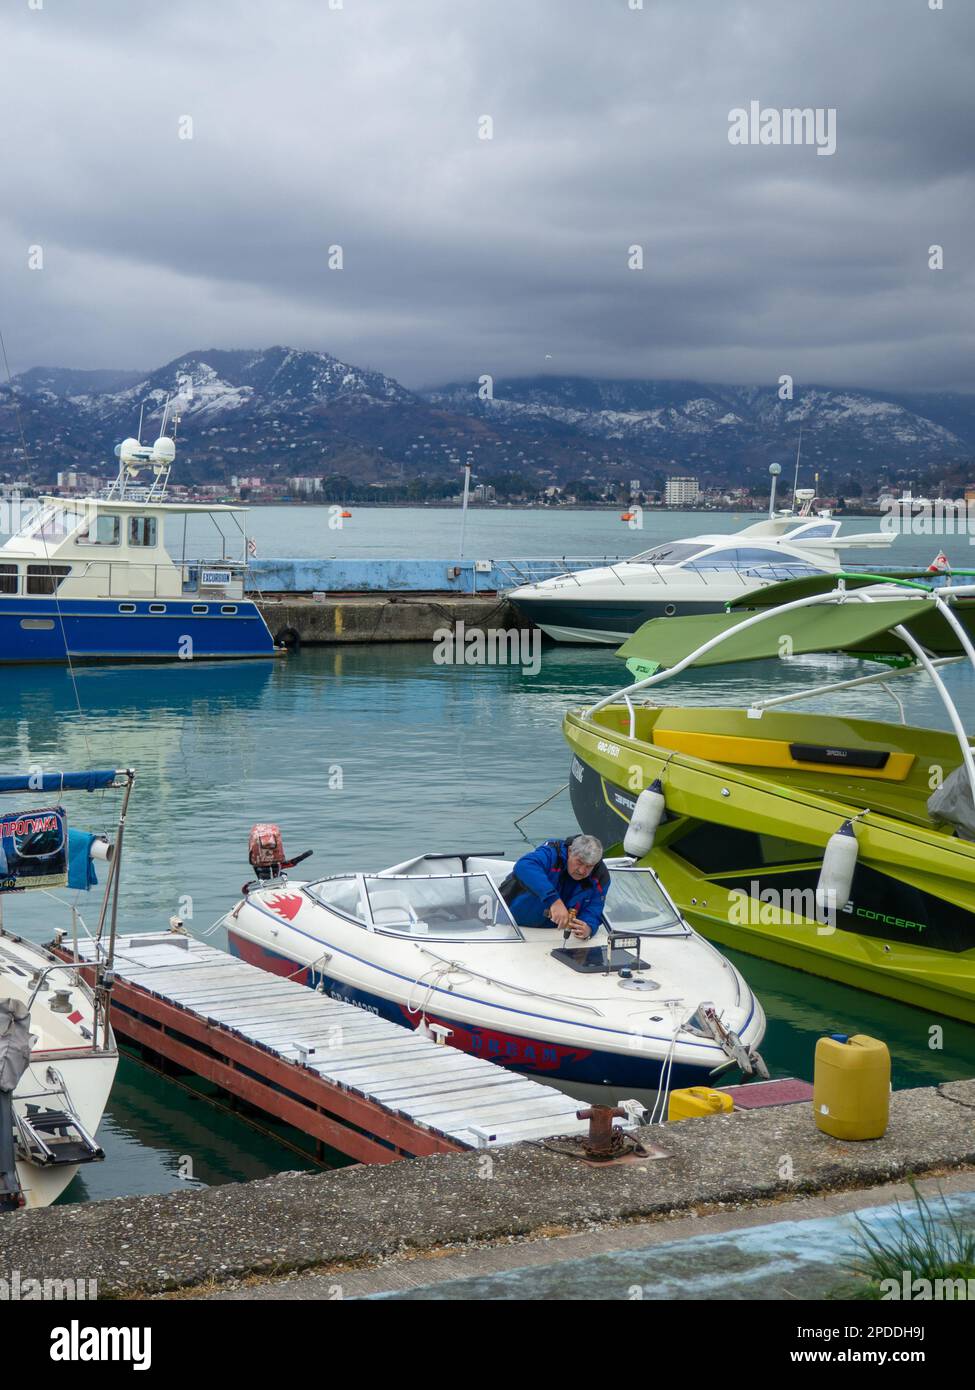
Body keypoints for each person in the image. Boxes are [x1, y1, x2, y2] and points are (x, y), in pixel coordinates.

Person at [500, 834, 608, 940]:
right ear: (570, 851)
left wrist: (588, 927)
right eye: (579, 862)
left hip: (555, 935)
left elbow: (595, 907)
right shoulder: (552, 854)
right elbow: (524, 866)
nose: (582, 871)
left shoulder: (600, 876)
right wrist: (554, 901)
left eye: (589, 866)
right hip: (511, 926)